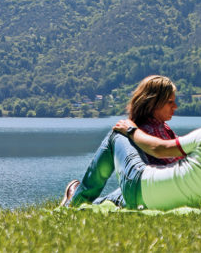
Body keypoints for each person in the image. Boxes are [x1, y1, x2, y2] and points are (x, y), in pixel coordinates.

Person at [61, 100, 201, 210]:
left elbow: (158, 148)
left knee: (115, 136)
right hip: (158, 204)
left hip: (143, 188)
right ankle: (78, 198)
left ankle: (75, 202)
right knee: (122, 196)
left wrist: (130, 129)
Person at [60, 75, 180, 206]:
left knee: (116, 134)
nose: (175, 106)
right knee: (118, 196)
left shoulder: (155, 129)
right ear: (153, 103)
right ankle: (76, 200)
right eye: (170, 102)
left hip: (155, 189)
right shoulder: (154, 130)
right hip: (163, 188)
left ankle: (76, 200)